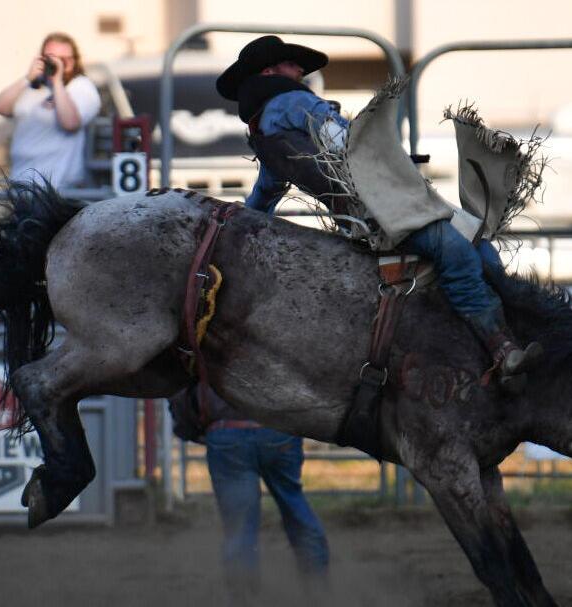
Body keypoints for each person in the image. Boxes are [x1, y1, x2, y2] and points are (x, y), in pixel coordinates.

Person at [216, 36, 541, 391]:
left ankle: (494, 342)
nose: (300, 71)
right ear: (270, 72)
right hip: (384, 210)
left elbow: (265, 194)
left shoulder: (265, 131)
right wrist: (380, 155)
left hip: (366, 216)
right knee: (463, 251)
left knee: (471, 248)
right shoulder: (291, 102)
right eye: (292, 65)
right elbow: (338, 137)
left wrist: (239, 225)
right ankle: (502, 347)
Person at [170, 384, 330, 599]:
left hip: (227, 432)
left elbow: (181, 387)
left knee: (240, 525)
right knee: (293, 502)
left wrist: (188, 428)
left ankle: (242, 597)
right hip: (278, 430)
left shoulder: (207, 347)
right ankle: (318, 589)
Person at [0, 32, 101, 188]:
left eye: (64, 60)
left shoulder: (81, 87)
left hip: (58, 187)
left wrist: (57, 82)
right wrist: (27, 78)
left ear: (75, 61)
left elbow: (70, 123)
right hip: (22, 182)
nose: (57, 63)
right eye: (51, 58)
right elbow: (0, 107)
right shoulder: (33, 87)